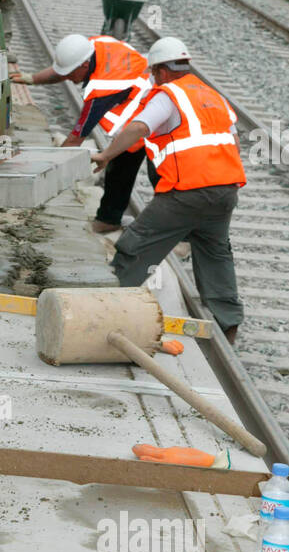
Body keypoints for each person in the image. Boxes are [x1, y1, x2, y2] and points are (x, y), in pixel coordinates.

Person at [91, 35, 244, 343]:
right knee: (215, 253)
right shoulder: (212, 95)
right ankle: (227, 324)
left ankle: (106, 306)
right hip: (225, 190)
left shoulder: (168, 95)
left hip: (187, 192)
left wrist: (106, 155)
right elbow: (234, 142)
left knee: (138, 242)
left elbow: (139, 127)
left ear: (161, 70)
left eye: (153, 72)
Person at [17, 33, 155, 233]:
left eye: (70, 73)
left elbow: (74, 140)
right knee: (120, 162)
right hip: (146, 94)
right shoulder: (92, 46)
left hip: (157, 113)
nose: (67, 78)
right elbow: (64, 70)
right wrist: (32, 79)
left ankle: (175, 232)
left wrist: (45, 179)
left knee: (156, 173)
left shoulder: (101, 90)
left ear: (84, 65)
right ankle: (110, 219)